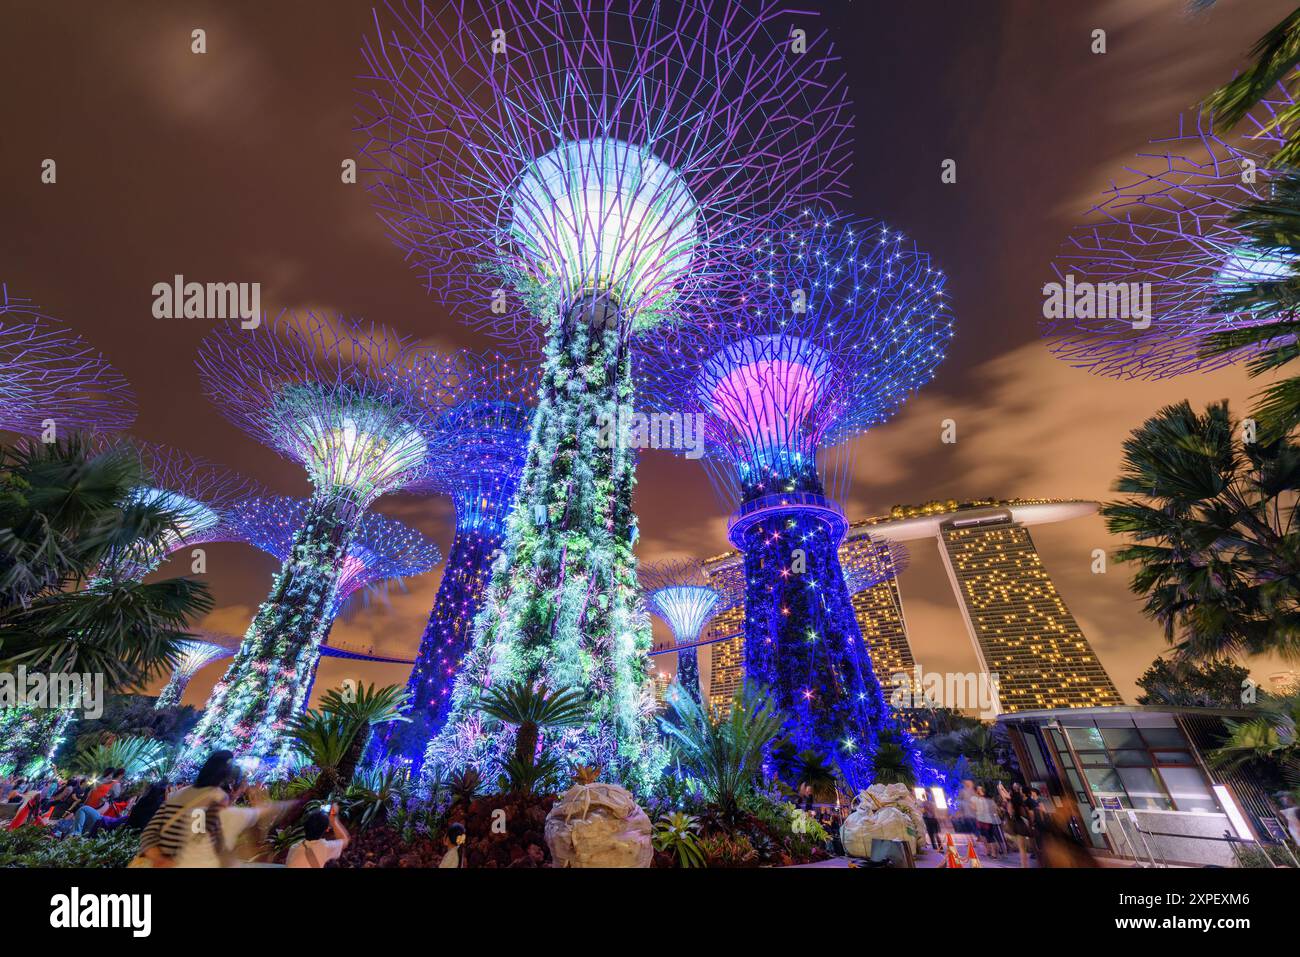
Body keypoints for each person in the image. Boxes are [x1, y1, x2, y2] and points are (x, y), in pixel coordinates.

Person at [134, 751, 287, 868]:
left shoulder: (178, 793)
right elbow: (200, 836)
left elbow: (149, 832)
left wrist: (158, 858)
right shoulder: (216, 797)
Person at [285, 806, 350, 868]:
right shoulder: (324, 847)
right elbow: (345, 841)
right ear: (325, 829)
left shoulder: (294, 847)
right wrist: (333, 820)